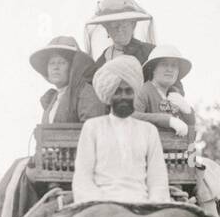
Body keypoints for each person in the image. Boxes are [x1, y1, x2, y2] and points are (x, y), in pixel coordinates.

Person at [0, 36, 106, 217]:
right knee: (22, 164)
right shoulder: (54, 100)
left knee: (22, 165)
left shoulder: (85, 92)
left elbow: (93, 128)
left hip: (76, 161)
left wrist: (61, 146)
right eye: (51, 64)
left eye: (61, 63)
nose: (55, 68)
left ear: (72, 66)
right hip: (56, 161)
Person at [71, 55, 171, 204]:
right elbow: (83, 179)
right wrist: (100, 205)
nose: (123, 96)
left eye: (128, 91)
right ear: (109, 95)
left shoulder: (148, 131)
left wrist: (153, 206)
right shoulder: (93, 127)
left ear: (135, 93)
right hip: (101, 205)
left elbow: (158, 180)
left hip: (141, 204)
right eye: (117, 91)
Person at [82, 0, 158, 75]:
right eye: (114, 26)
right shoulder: (103, 58)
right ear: (107, 29)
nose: (120, 30)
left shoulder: (150, 51)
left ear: (133, 25)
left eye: (124, 26)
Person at [133, 45, 195, 141]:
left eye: (174, 65)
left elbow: (191, 133)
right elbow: (131, 117)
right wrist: (167, 120)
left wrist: (188, 112)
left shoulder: (175, 95)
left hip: (176, 153)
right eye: (164, 64)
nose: (169, 69)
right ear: (153, 69)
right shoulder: (144, 90)